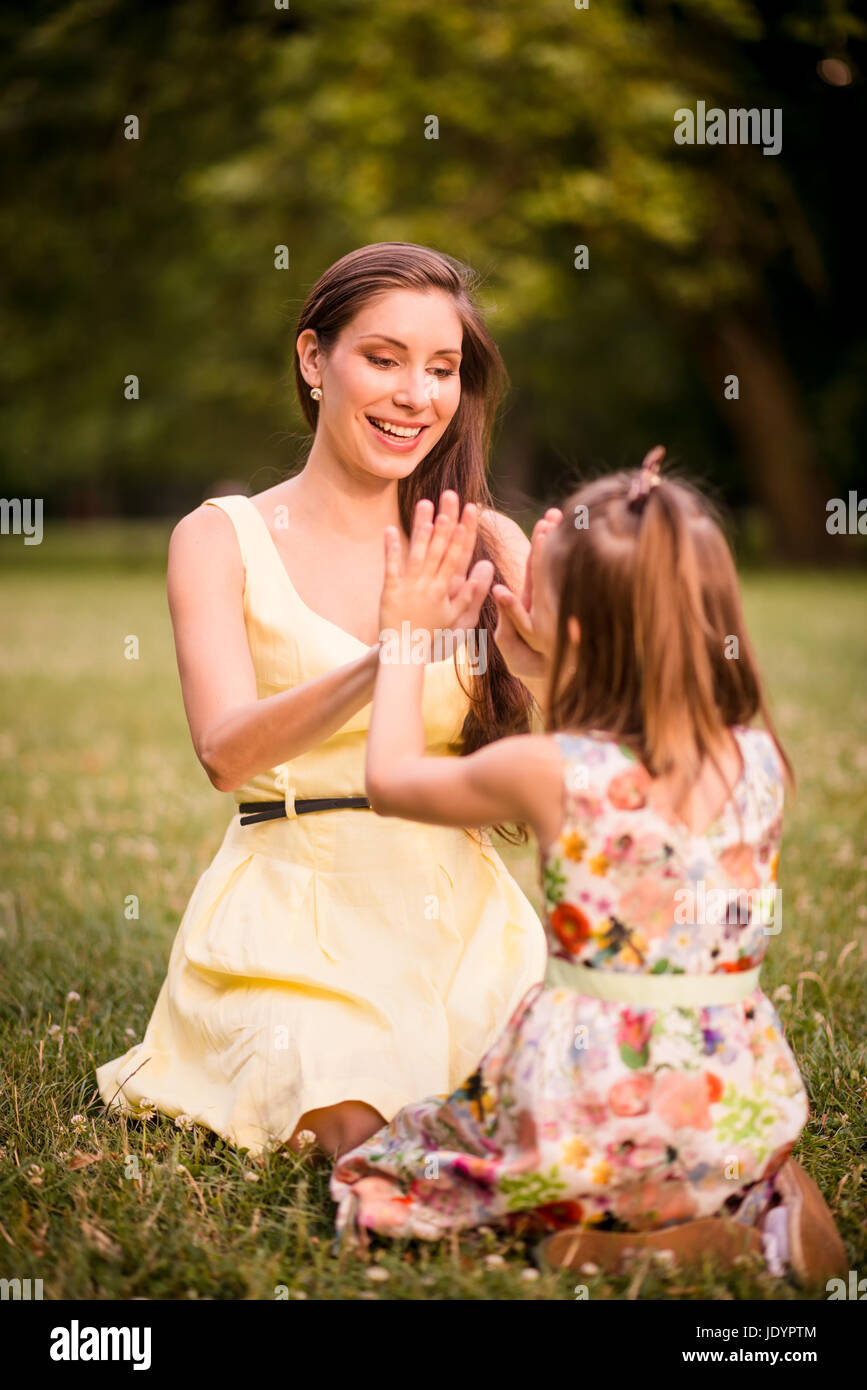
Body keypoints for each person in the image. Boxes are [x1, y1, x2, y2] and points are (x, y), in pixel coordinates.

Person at [329, 451, 847, 1283]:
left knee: (394, 1164)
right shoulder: (759, 758)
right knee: (712, 1148)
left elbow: (389, 779)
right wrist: (561, 648)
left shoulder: (553, 771)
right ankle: (744, 1203)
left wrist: (405, 637)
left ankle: (629, 1230)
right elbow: (624, 734)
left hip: (590, 1111)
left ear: (570, 636)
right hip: (738, 1100)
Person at [96, 243, 547, 1158]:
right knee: (362, 1123)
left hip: (458, 913)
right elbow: (225, 754)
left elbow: (576, 763)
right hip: (291, 908)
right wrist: (390, 653)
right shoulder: (221, 537)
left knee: (542, 1116)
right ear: (314, 360)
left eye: (442, 369)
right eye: (383, 359)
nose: (416, 395)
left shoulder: (485, 540)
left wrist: (554, 665)